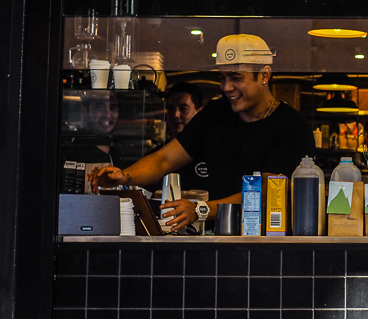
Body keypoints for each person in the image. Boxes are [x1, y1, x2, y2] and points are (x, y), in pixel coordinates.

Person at [91, 34, 314, 232]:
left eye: (236, 78)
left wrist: (201, 209)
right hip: (215, 236)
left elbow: (268, 192)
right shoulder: (215, 114)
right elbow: (164, 159)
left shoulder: (292, 127)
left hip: (266, 242)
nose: (226, 87)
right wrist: (124, 176)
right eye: (222, 78)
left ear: (264, 76)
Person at [162, 81, 205, 191]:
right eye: (171, 109)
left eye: (183, 109)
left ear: (199, 112)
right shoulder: (157, 155)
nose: (175, 115)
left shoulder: (210, 154)